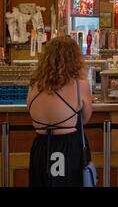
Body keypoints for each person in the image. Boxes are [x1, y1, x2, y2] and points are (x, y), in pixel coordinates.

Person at [27, 36, 93, 187]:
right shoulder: (80, 85)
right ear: (74, 58)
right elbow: (85, 119)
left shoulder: (33, 84)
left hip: (40, 148)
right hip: (66, 149)